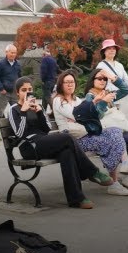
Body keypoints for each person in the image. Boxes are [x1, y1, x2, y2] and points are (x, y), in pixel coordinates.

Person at [6, 76, 113, 210]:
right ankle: (92, 172)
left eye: (30, 89)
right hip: (29, 146)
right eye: (23, 90)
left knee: (67, 153)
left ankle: (76, 199)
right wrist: (23, 111)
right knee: (66, 138)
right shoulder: (14, 109)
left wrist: (39, 113)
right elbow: (19, 133)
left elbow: (47, 129)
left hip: (42, 142)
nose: (27, 92)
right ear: (17, 92)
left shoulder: (36, 107)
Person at [51, 70, 128, 197]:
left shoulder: (77, 100)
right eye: (66, 82)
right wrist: (92, 106)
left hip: (85, 133)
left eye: (72, 82)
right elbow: (77, 115)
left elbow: (88, 115)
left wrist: (91, 105)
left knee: (115, 131)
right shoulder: (58, 100)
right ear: (60, 84)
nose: (70, 84)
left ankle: (122, 171)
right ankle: (114, 183)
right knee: (106, 142)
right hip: (73, 139)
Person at [94, 38, 128, 107]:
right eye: (109, 48)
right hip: (107, 96)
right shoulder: (101, 66)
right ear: (104, 51)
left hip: (119, 94)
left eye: (114, 48)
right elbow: (97, 83)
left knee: (117, 115)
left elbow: (126, 79)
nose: (112, 50)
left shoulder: (119, 65)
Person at [0, 44, 23, 120]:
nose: (13, 54)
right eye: (11, 52)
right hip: (4, 92)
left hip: (15, 92)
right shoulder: (0, 64)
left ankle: (14, 128)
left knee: (17, 111)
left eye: (15, 53)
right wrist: (1, 88)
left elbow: (20, 77)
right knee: (0, 112)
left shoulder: (17, 64)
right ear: (6, 52)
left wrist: (20, 89)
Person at [38, 45, 58, 114]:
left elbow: (44, 71)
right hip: (52, 80)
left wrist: (43, 80)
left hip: (47, 81)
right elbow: (56, 70)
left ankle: (55, 111)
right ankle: (43, 112)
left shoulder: (45, 59)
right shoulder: (53, 60)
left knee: (47, 97)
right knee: (45, 97)